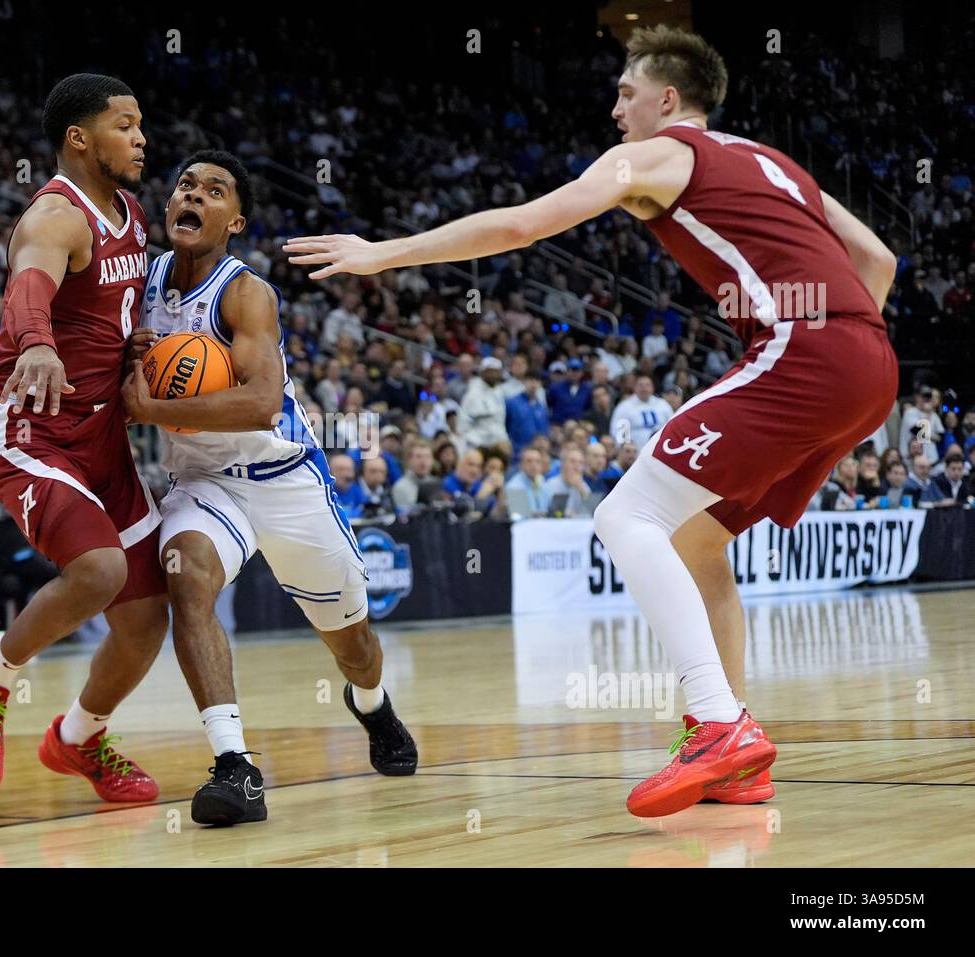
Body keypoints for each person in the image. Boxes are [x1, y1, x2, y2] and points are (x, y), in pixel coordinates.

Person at [287, 23, 898, 817]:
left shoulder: (652, 157)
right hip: (871, 361)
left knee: (623, 512)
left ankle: (721, 727)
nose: (615, 109)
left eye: (625, 91)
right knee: (698, 541)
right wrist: (849, 357)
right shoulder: (777, 164)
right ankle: (736, 758)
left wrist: (382, 253)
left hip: (805, 353)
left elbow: (518, 227)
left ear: (667, 98)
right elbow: (878, 260)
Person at [130, 151, 415, 826]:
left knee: (355, 646)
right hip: (204, 481)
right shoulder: (140, 285)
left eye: (214, 190)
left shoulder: (246, 292)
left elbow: (260, 403)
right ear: (169, 206)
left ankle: (372, 704)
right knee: (186, 578)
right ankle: (235, 766)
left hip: (285, 480)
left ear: (235, 220)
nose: (193, 195)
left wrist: (151, 409)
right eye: (185, 185)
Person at [0, 74, 167, 805]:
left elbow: (105, 313)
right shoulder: (57, 213)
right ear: (80, 138)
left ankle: (77, 738)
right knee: (101, 571)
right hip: (32, 430)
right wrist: (36, 343)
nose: (141, 137)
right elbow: (28, 283)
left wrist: (134, 348)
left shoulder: (132, 213)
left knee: (144, 618)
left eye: (141, 125)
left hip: (103, 437)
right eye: (125, 125)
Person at [610, 373, 674, 449]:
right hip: (635, 452)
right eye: (641, 385)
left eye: (647, 385)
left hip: (661, 450)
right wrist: (625, 448)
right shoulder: (624, 407)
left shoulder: (663, 405)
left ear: (653, 388)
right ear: (635, 388)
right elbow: (618, 432)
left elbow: (672, 426)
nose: (644, 388)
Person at [504, 447, 548, 517]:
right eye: (529, 461)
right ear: (521, 465)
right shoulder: (514, 486)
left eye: (537, 461)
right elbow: (518, 516)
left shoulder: (541, 480)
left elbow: (547, 508)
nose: (534, 465)